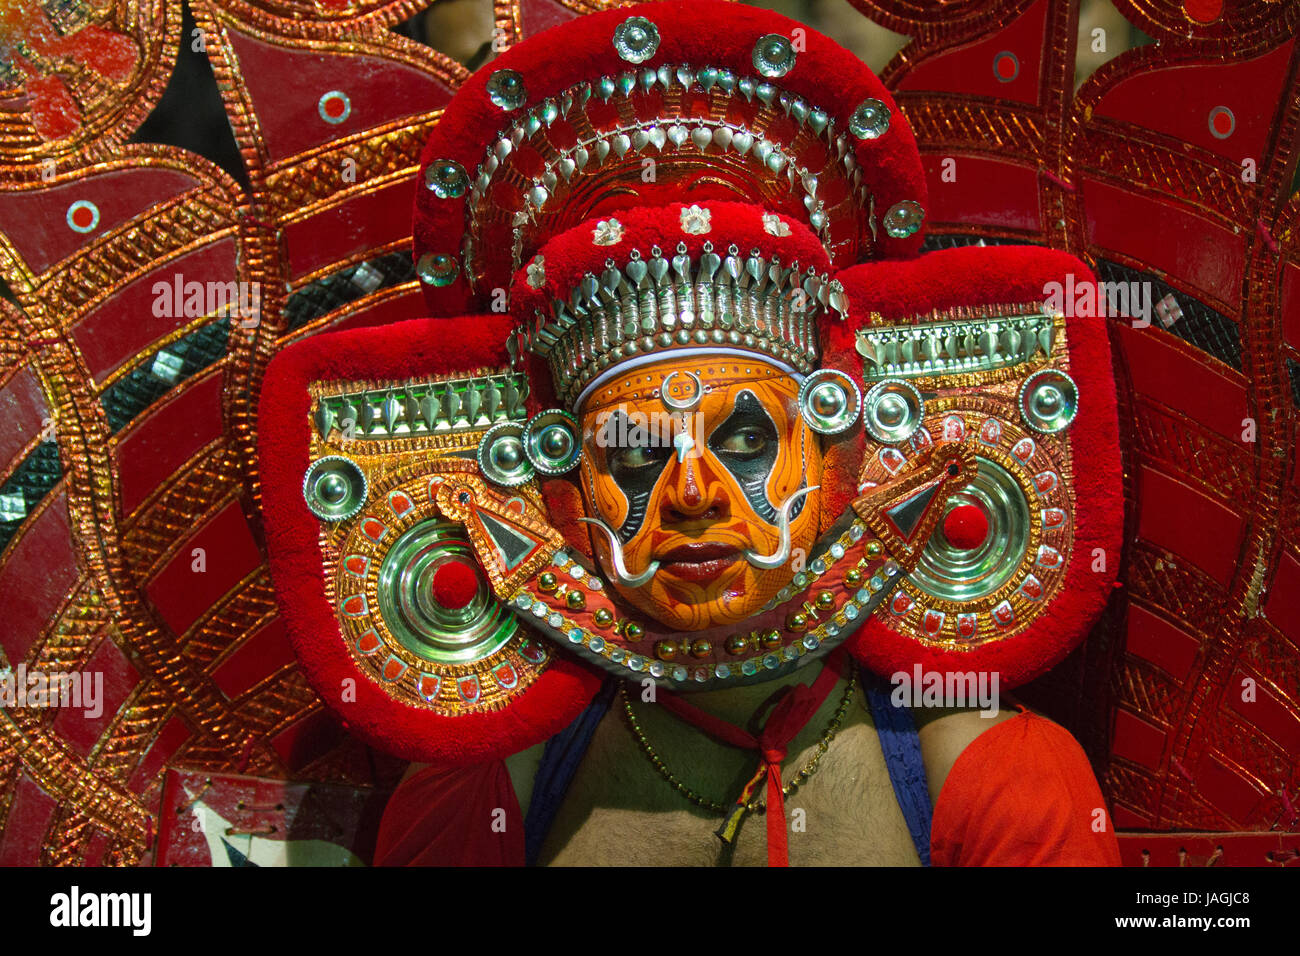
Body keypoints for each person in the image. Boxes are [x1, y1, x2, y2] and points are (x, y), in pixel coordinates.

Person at [260, 0, 1125, 866]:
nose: (694, 493)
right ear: (562, 478)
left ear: (835, 439)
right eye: (637, 454)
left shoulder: (997, 777)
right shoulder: (485, 800)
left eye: (745, 441)